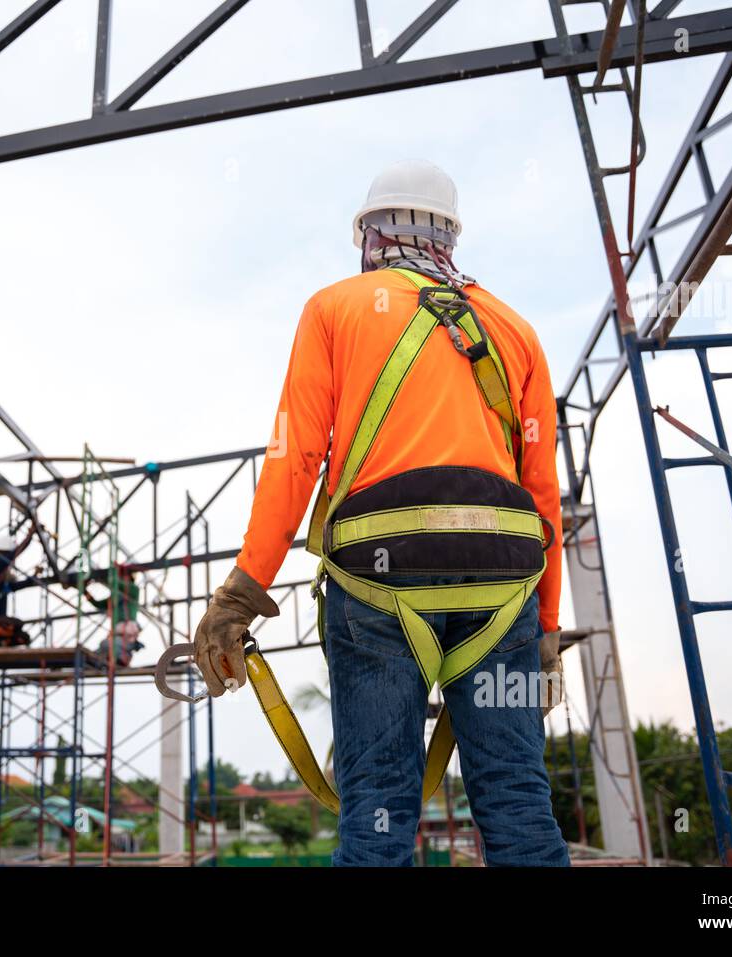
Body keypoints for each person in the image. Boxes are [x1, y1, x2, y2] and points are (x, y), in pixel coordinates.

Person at [192, 159, 568, 866]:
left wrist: (242, 591)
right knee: (518, 796)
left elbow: (295, 456)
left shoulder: (335, 308)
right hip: (505, 586)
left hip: (377, 581)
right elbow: (542, 491)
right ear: (450, 237)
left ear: (368, 231)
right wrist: (544, 626)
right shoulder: (515, 329)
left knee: (380, 803)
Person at [91, 566, 144, 666]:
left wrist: (100, 575)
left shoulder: (133, 589)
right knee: (102, 648)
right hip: (118, 632)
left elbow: (115, 582)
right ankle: (109, 660)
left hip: (126, 631)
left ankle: (121, 657)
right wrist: (86, 593)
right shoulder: (116, 596)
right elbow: (98, 604)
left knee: (109, 645)